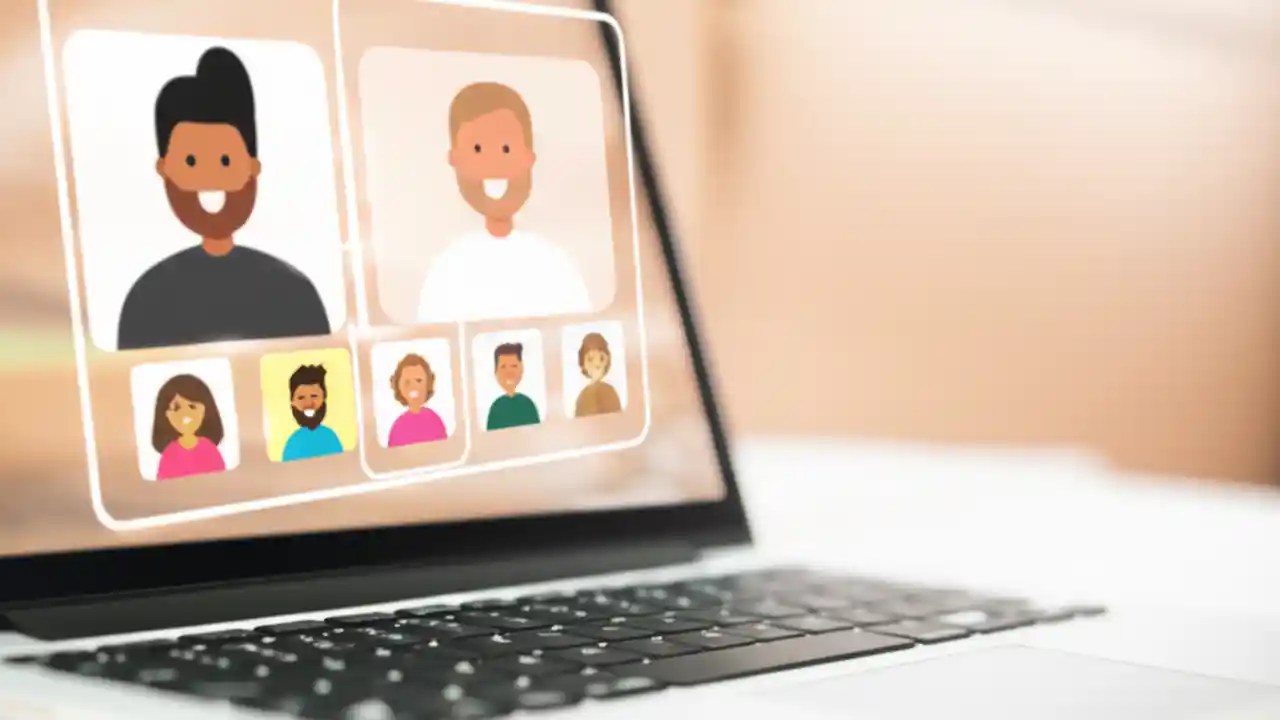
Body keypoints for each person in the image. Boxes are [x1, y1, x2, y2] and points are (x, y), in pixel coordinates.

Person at [117, 46, 330, 350]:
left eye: (225, 162)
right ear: (164, 169)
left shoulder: (293, 290)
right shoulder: (149, 296)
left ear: (252, 168)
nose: (209, 180)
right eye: (191, 162)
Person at [416, 82, 590, 323]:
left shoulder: (556, 265)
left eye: (506, 149)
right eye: (478, 149)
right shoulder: (448, 272)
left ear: (529, 157)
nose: (494, 164)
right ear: (454, 159)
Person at [151, 374, 227, 480]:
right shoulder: (169, 455)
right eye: (176, 408)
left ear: (205, 409)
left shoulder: (209, 449)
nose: (185, 413)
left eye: (192, 406)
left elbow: (221, 478)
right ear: (167, 415)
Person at [282, 364, 344, 462]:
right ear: (292, 402)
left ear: (324, 398)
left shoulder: (330, 438)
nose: (309, 404)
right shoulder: (293, 443)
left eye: (314, 396)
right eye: (301, 397)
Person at [387, 354, 448, 447]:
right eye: (407, 382)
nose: (414, 387)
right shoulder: (398, 427)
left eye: (419, 380)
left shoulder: (434, 421)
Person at [485, 343, 540, 431]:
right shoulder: (496, 407)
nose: (509, 372)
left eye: (514, 366)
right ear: (496, 371)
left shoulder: (527, 404)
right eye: (503, 367)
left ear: (521, 368)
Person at [573, 332, 623, 418]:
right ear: (583, 364)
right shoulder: (583, 396)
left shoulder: (610, 392)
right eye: (590, 359)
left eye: (601, 358)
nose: (597, 364)